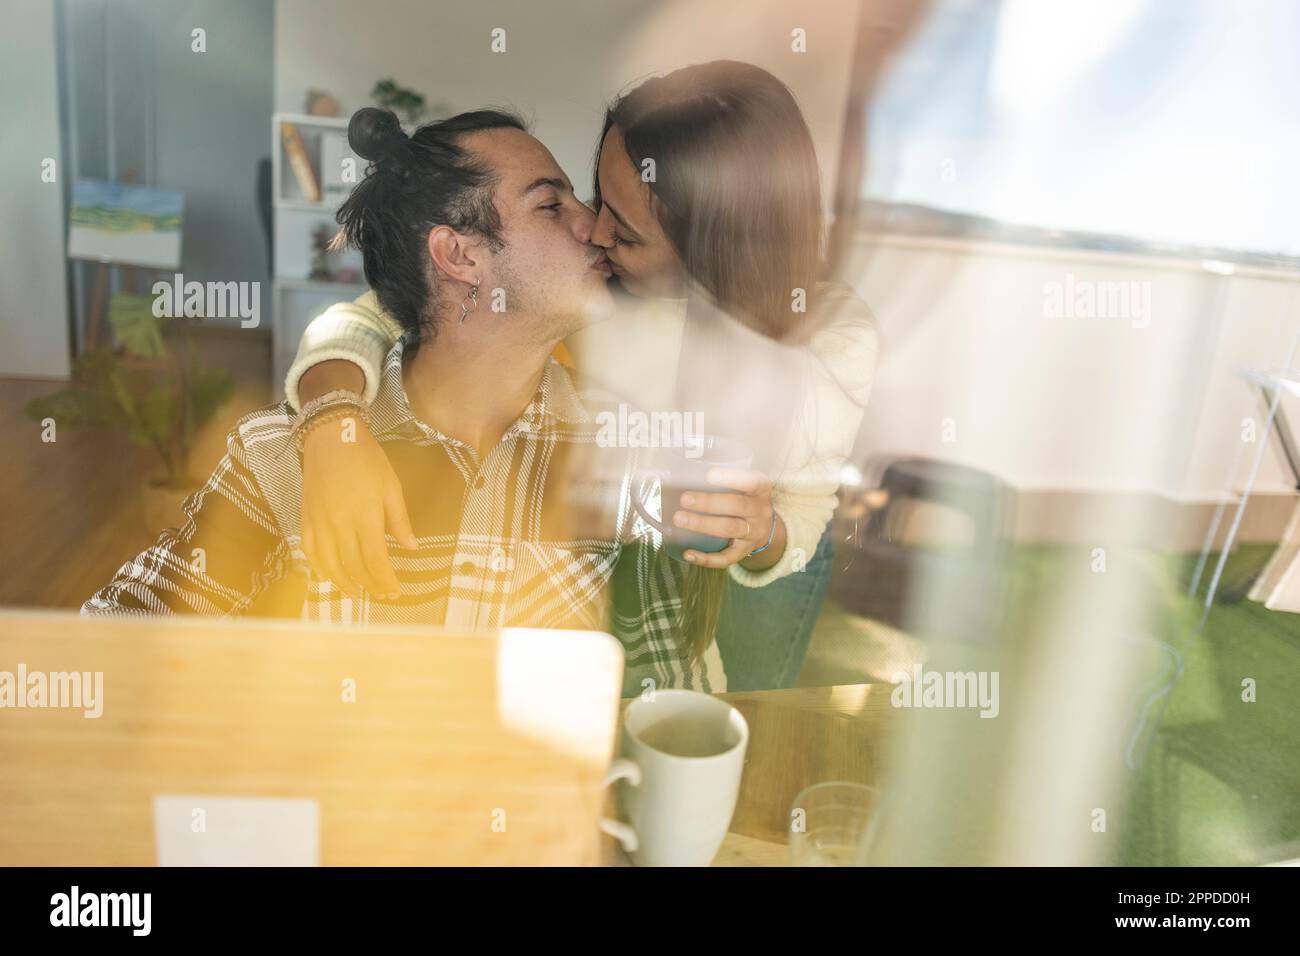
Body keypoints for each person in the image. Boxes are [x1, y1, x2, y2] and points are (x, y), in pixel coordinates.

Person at [82, 106, 725, 696]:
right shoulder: (284, 459)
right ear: (460, 254)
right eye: (551, 207)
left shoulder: (632, 454)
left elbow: (669, 697)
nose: (595, 227)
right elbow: (115, 656)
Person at [285, 61, 878, 690]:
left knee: (743, 721)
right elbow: (376, 316)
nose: (594, 233)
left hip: (765, 555)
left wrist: (763, 536)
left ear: (713, 246)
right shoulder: (596, 283)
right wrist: (332, 429)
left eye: (623, 231)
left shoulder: (829, 340)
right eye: (598, 197)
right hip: (637, 539)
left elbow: (806, 508)